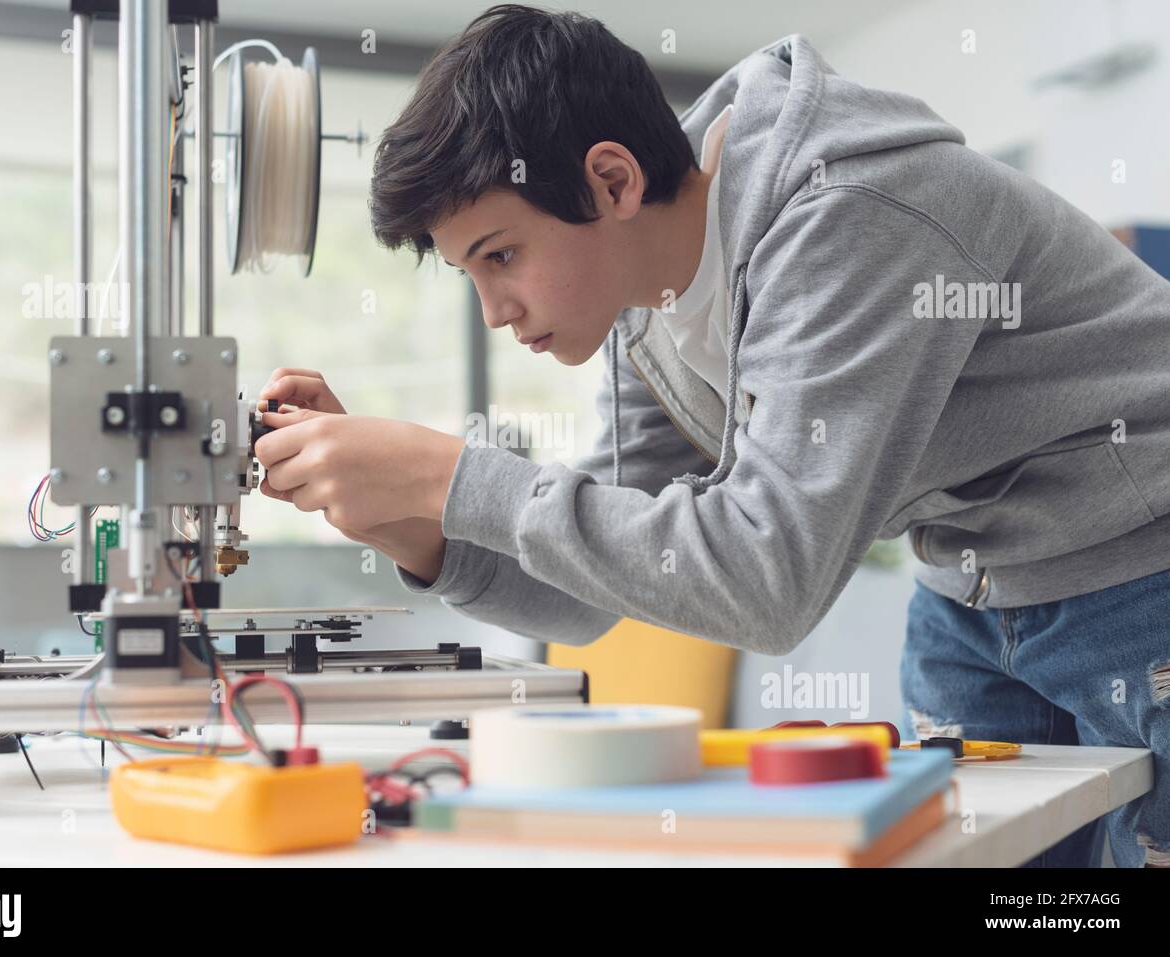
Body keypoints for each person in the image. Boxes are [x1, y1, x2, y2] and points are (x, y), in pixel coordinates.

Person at [252, 5, 1170, 867]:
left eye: (502, 254)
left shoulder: (850, 212)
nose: (493, 312)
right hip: (965, 595)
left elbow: (765, 583)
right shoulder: (643, 305)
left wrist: (450, 474)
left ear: (612, 180)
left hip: (1139, 571)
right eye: (469, 273)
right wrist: (411, 518)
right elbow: (601, 590)